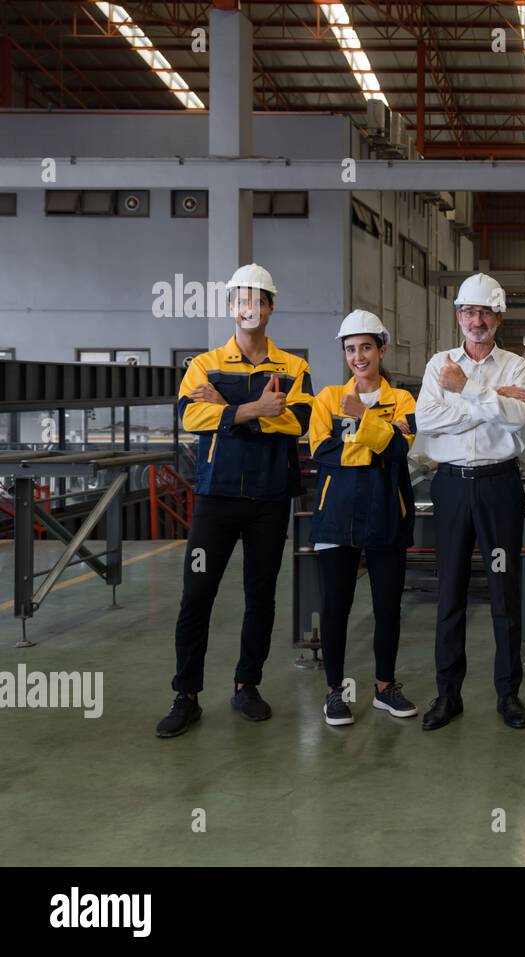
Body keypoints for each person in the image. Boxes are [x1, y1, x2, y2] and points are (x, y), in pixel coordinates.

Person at [155, 263, 313, 738]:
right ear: (230, 307)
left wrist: (224, 408)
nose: (249, 308)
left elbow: (299, 420)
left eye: (258, 300)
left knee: (260, 595)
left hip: (268, 500)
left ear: (270, 307)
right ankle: (186, 694)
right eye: (241, 300)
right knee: (196, 595)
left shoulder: (293, 367)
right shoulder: (202, 364)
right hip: (216, 500)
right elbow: (189, 416)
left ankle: (247, 684)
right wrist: (254, 408)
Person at [414, 273, 525, 731]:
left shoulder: (515, 367)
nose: (476, 320)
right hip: (450, 486)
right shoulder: (438, 363)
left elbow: (517, 417)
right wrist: (487, 403)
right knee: (450, 592)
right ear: (458, 315)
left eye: (485, 312)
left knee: (504, 591)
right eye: (469, 311)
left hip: (499, 487)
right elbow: (427, 419)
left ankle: (509, 695)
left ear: (498, 317)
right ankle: (448, 695)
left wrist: (463, 390)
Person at [308, 310, 418, 727]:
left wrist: (361, 421)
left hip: (388, 515)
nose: (359, 356)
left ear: (381, 350)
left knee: (388, 607)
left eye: (366, 347)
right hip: (336, 517)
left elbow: (400, 449)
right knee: (335, 607)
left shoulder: (402, 400)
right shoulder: (326, 399)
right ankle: (335, 691)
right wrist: (374, 441)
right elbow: (321, 451)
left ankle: (385, 687)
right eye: (351, 348)